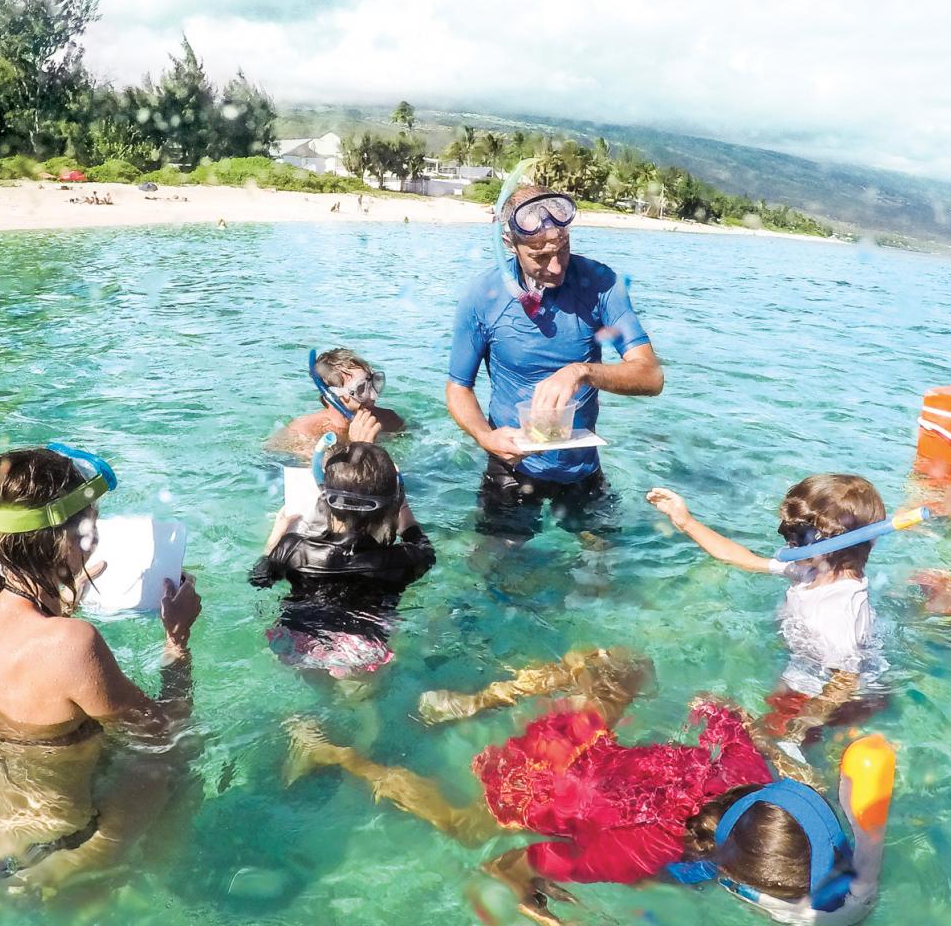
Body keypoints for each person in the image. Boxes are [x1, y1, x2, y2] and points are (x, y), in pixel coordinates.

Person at [285, 646, 829, 925]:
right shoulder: (634, 854)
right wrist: (539, 911)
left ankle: (493, 696)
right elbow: (503, 868)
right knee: (466, 828)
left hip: (590, 745)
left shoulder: (753, 776)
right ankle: (333, 751)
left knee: (630, 669)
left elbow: (723, 715)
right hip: (541, 780)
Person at [0, 446, 201, 889]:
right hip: (51, 853)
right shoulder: (72, 644)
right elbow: (164, 731)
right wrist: (178, 644)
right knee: (178, 763)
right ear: (67, 540)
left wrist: (56, 609)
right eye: (93, 526)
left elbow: (21, 667)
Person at [447, 183, 663, 538]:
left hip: (580, 468)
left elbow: (651, 377)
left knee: (602, 576)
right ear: (509, 245)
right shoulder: (481, 297)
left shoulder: (599, 283)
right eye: (539, 255)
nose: (556, 265)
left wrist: (583, 372)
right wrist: (486, 437)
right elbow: (458, 387)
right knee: (495, 571)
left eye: (563, 248)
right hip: (510, 467)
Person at [646, 475, 890, 741]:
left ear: (836, 544)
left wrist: (801, 725)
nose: (789, 543)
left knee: (763, 740)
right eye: (787, 531)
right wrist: (686, 522)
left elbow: (846, 680)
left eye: (799, 535)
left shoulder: (835, 612)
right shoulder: (811, 570)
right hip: (803, 673)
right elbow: (741, 558)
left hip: (815, 693)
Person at [251, 441, 434, 682]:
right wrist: (405, 516)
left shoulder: (293, 547)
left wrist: (278, 532)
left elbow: (260, 579)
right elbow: (426, 551)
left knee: (317, 684)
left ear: (324, 499)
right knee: (360, 699)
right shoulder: (403, 560)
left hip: (297, 639)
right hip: (362, 648)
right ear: (393, 504)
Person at [274, 348, 406, 456]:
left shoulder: (389, 419)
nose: (372, 396)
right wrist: (359, 447)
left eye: (373, 384)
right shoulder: (305, 433)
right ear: (332, 395)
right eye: (361, 389)